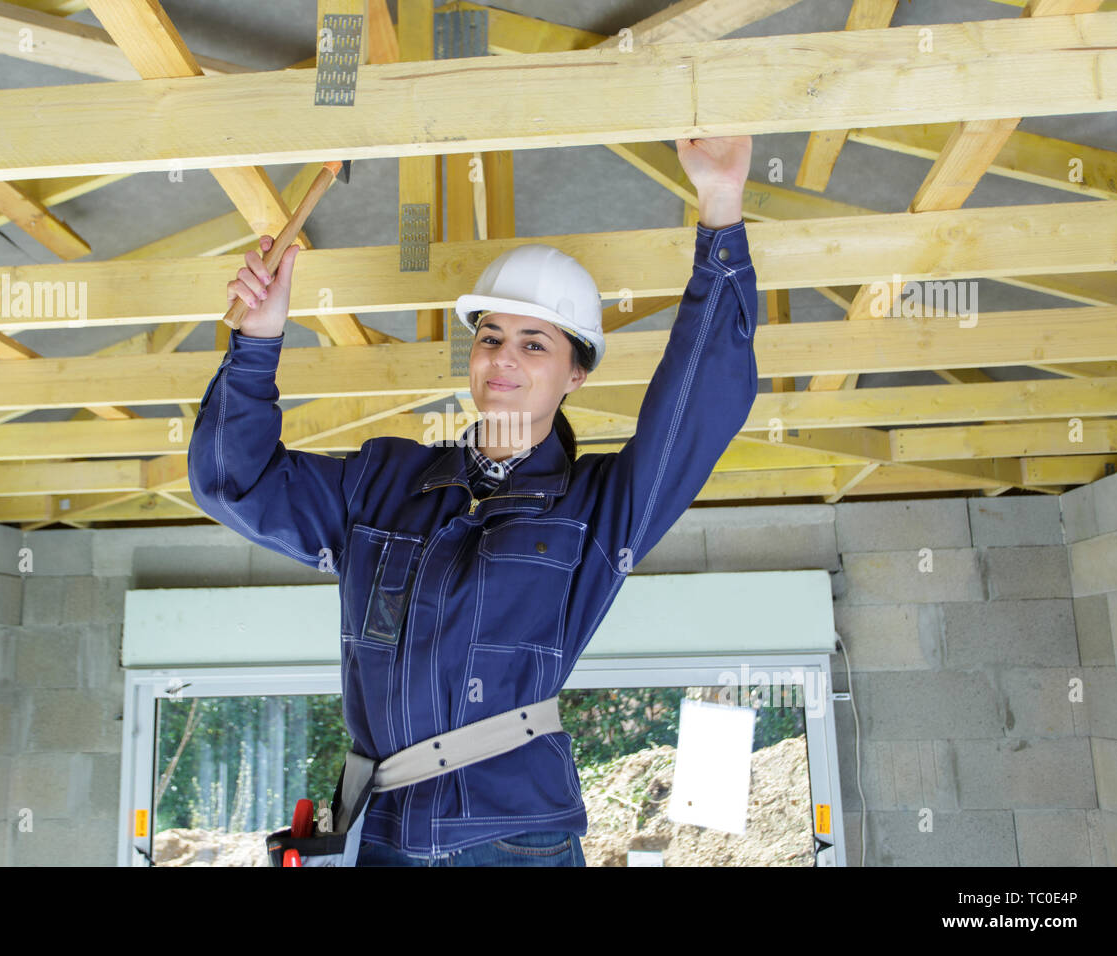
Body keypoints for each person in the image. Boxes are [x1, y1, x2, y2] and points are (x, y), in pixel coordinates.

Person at [187, 135, 759, 867]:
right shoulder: (382, 483)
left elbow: (698, 405)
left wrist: (720, 214)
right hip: (382, 830)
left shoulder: (598, 507)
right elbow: (235, 483)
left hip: (513, 837)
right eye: (491, 337)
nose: (502, 359)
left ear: (575, 374)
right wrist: (257, 343)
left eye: (534, 343)